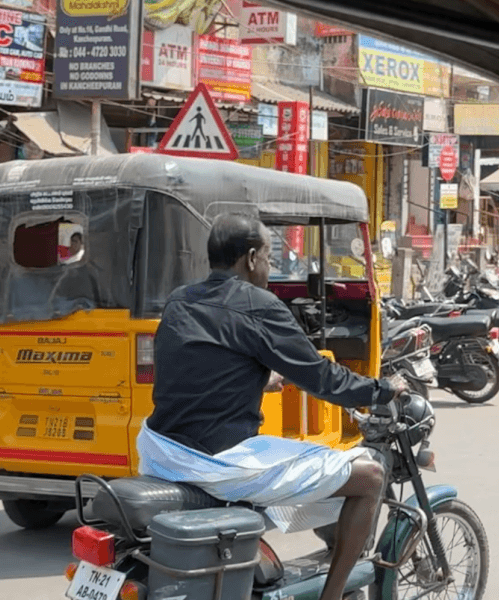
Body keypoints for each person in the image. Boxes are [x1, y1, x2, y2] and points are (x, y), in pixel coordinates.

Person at [135, 213, 409, 600]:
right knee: (369, 476)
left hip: (161, 449)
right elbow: (322, 378)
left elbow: (195, 368)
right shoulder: (258, 304)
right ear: (250, 258)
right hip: (219, 459)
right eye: (268, 256)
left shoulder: (181, 299)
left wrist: (260, 381)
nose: (269, 266)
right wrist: (382, 390)